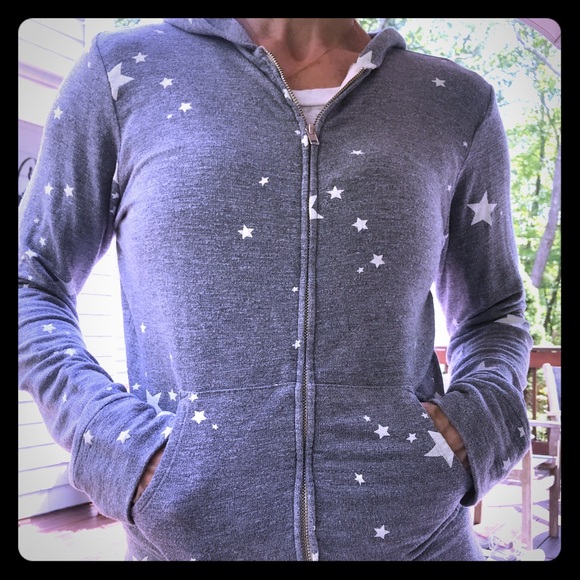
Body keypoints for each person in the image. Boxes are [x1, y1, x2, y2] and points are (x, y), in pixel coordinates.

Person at [18, 18, 533, 561]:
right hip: (187, 541)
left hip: (420, 541)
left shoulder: (453, 101)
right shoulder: (125, 73)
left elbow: (493, 310)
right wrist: (114, 441)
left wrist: (480, 425)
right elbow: (32, 280)